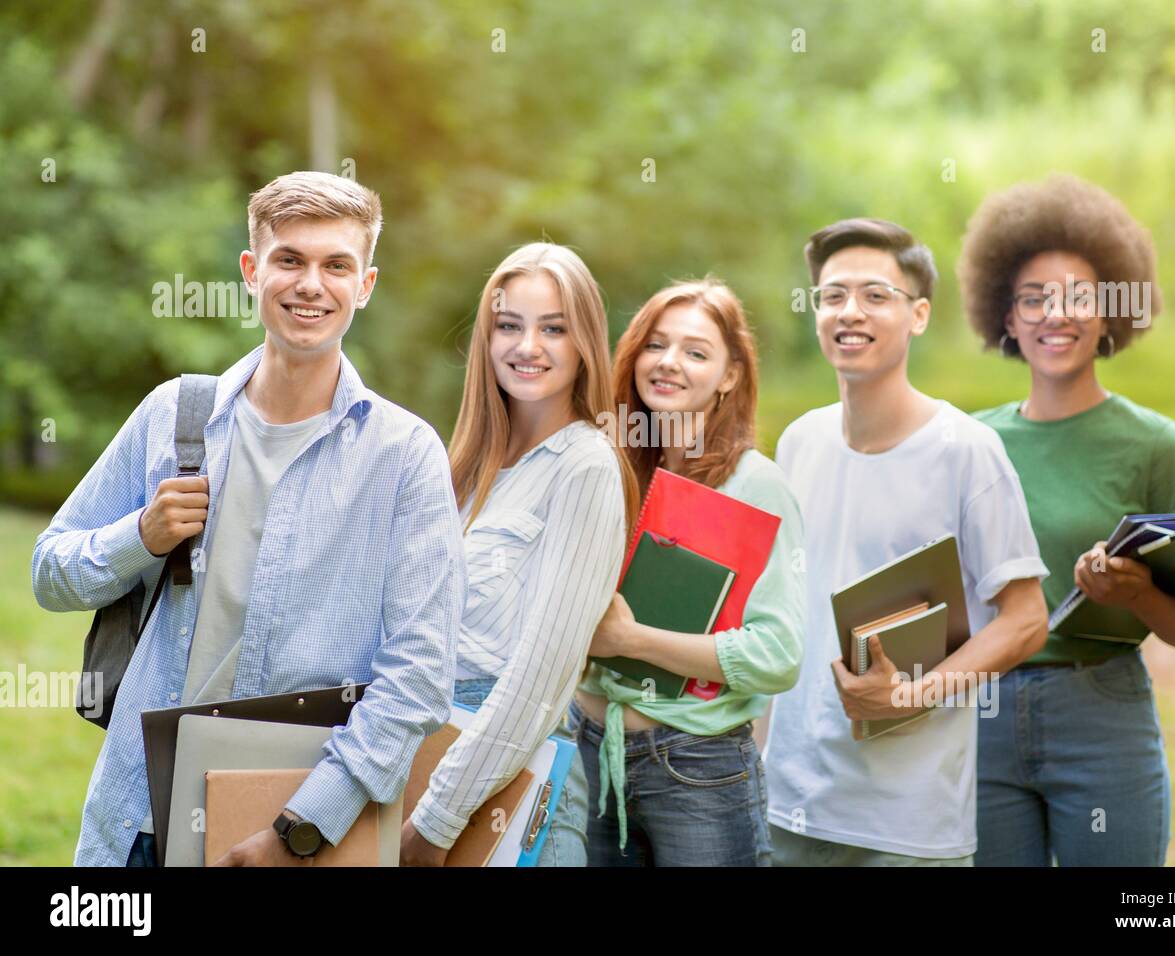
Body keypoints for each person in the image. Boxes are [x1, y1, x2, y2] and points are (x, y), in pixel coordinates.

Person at [32, 170, 466, 867]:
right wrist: (139, 536)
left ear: (366, 284)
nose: (310, 284)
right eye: (289, 259)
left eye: (336, 265)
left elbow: (419, 676)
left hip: (292, 824)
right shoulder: (176, 414)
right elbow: (49, 572)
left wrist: (302, 826)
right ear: (251, 270)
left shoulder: (405, 456)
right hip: (136, 817)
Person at [763, 217, 1050, 866]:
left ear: (918, 315)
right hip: (789, 804)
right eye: (832, 296)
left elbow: (1027, 619)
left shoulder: (968, 452)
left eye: (874, 295)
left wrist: (908, 695)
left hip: (909, 825)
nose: (848, 312)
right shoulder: (798, 442)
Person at [958, 174, 1175, 866]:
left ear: (1110, 314)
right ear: (1006, 319)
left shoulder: (1154, 446)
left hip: (1101, 713)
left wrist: (1135, 591)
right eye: (1033, 299)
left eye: (1079, 296)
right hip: (982, 717)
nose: (1056, 315)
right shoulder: (969, 445)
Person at [401, 242, 638, 867]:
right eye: (509, 325)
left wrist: (435, 822)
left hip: (509, 786)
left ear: (584, 341)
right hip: (423, 756)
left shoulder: (585, 466)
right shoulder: (467, 469)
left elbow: (541, 679)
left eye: (553, 329)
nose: (527, 346)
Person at [576, 278, 805, 866]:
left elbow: (776, 656)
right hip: (589, 756)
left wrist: (630, 641)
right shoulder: (611, 468)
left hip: (695, 768)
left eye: (696, 352)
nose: (669, 363)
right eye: (656, 345)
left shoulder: (755, 484)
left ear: (730, 375)